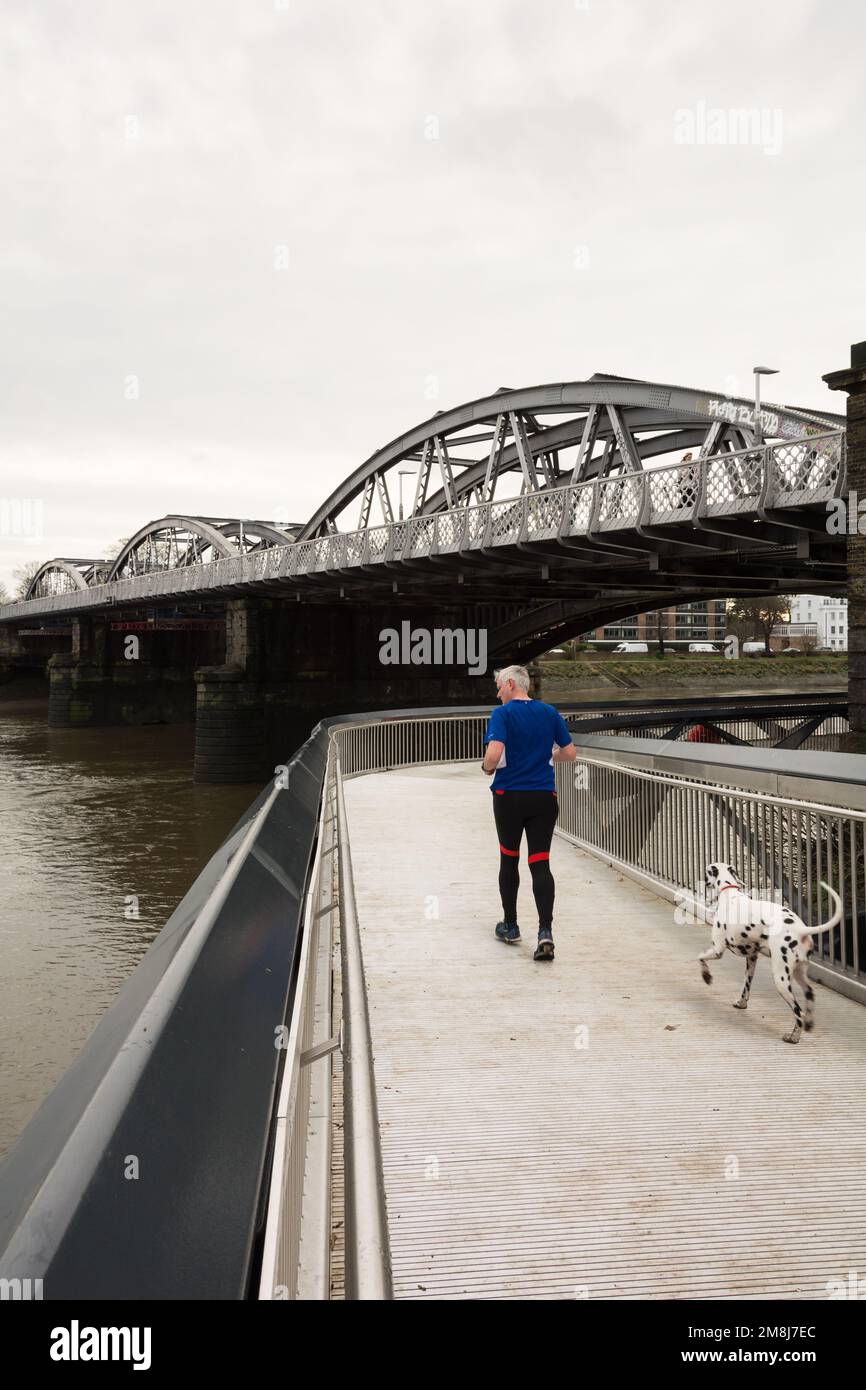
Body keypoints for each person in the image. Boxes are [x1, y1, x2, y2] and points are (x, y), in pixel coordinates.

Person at [481, 664, 577, 960]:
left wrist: (486, 768)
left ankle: (510, 925)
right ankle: (545, 932)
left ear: (510, 683)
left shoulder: (503, 714)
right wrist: (549, 757)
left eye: (499, 687)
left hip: (509, 797)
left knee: (509, 859)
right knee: (540, 863)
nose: (498, 694)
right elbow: (570, 753)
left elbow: (494, 753)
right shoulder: (549, 712)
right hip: (543, 799)